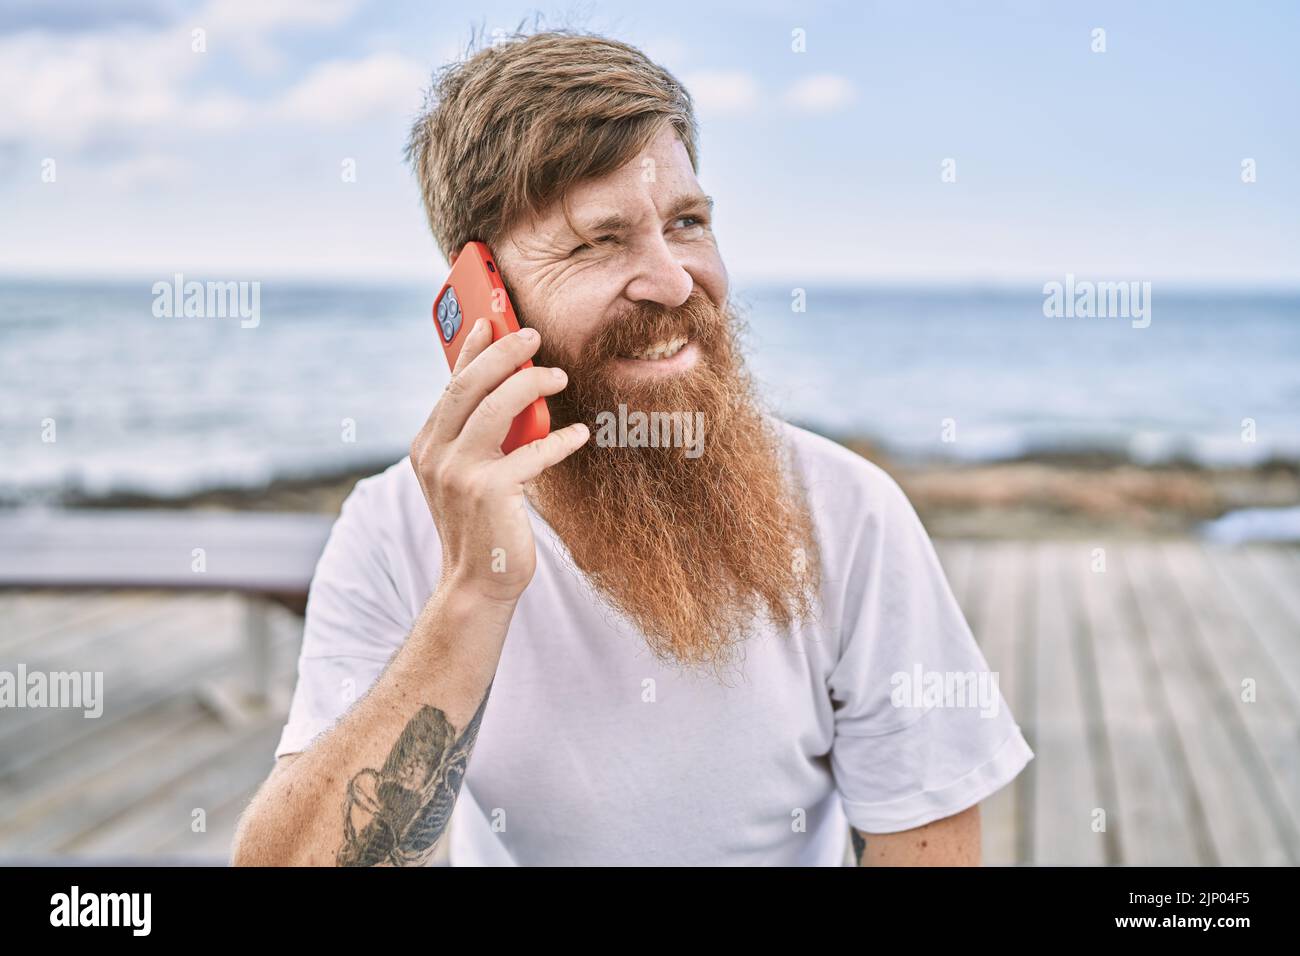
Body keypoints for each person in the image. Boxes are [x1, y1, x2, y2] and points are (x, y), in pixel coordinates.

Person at [231, 29, 1032, 867]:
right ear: (483, 299)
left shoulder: (849, 512)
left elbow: (927, 847)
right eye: (599, 242)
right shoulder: (393, 528)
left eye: (687, 223)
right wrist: (474, 592)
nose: (675, 280)